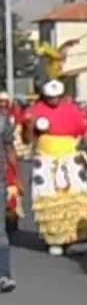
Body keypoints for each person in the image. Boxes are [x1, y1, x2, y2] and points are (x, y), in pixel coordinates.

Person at [27, 80, 87, 256]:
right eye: (50, 98)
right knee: (49, 199)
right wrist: (31, 128)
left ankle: (74, 235)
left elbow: (83, 132)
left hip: (69, 158)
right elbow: (29, 137)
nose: (53, 101)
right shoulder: (36, 110)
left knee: (74, 197)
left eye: (56, 97)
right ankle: (54, 239)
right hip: (46, 159)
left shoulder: (72, 110)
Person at [0, 100, 17, 292]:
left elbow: (9, 149)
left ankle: (3, 275)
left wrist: (15, 177)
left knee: (0, 231)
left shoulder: (3, 122)